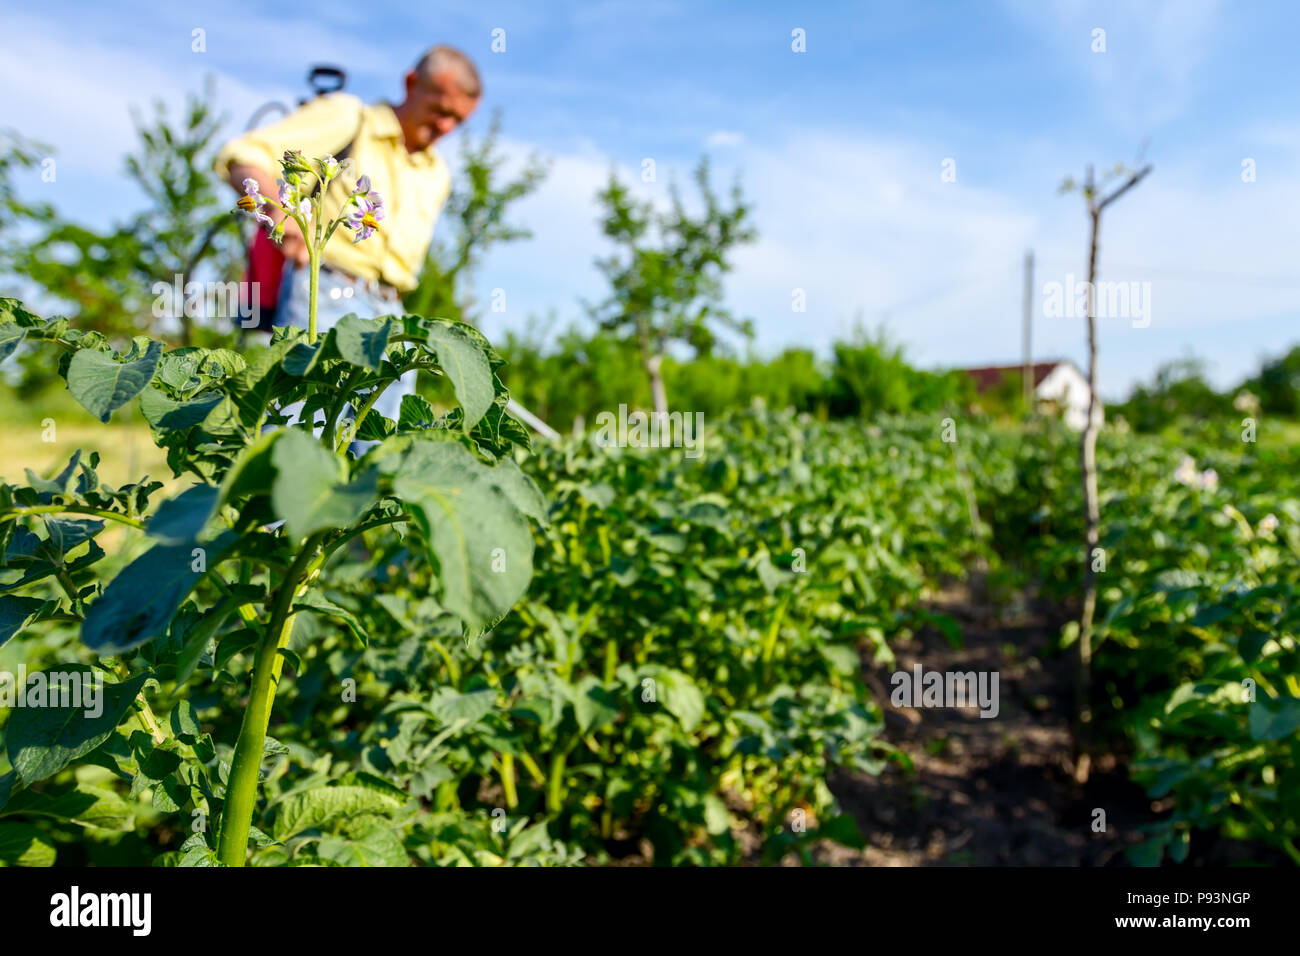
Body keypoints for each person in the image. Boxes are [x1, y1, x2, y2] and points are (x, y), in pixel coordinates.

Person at [215, 45, 482, 426]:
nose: (445, 127)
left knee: (375, 445)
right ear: (410, 83)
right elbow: (244, 157)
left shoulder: (437, 172)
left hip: (394, 315)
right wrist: (279, 214)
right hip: (326, 294)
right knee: (302, 431)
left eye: (458, 120)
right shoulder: (350, 118)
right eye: (440, 110)